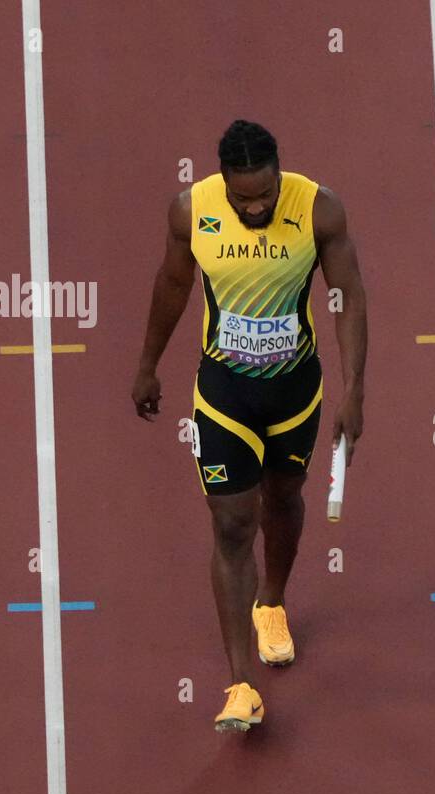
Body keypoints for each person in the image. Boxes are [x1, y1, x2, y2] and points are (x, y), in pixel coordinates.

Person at [132, 120, 367, 733]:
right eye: (244, 199)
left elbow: (348, 295)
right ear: (224, 186)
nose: (256, 206)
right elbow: (173, 285)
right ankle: (241, 684)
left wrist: (355, 388)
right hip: (224, 395)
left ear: (278, 173)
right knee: (233, 523)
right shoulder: (192, 211)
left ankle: (272, 602)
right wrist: (147, 364)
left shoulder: (319, 209)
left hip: (296, 393)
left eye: (264, 194)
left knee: (283, 499)